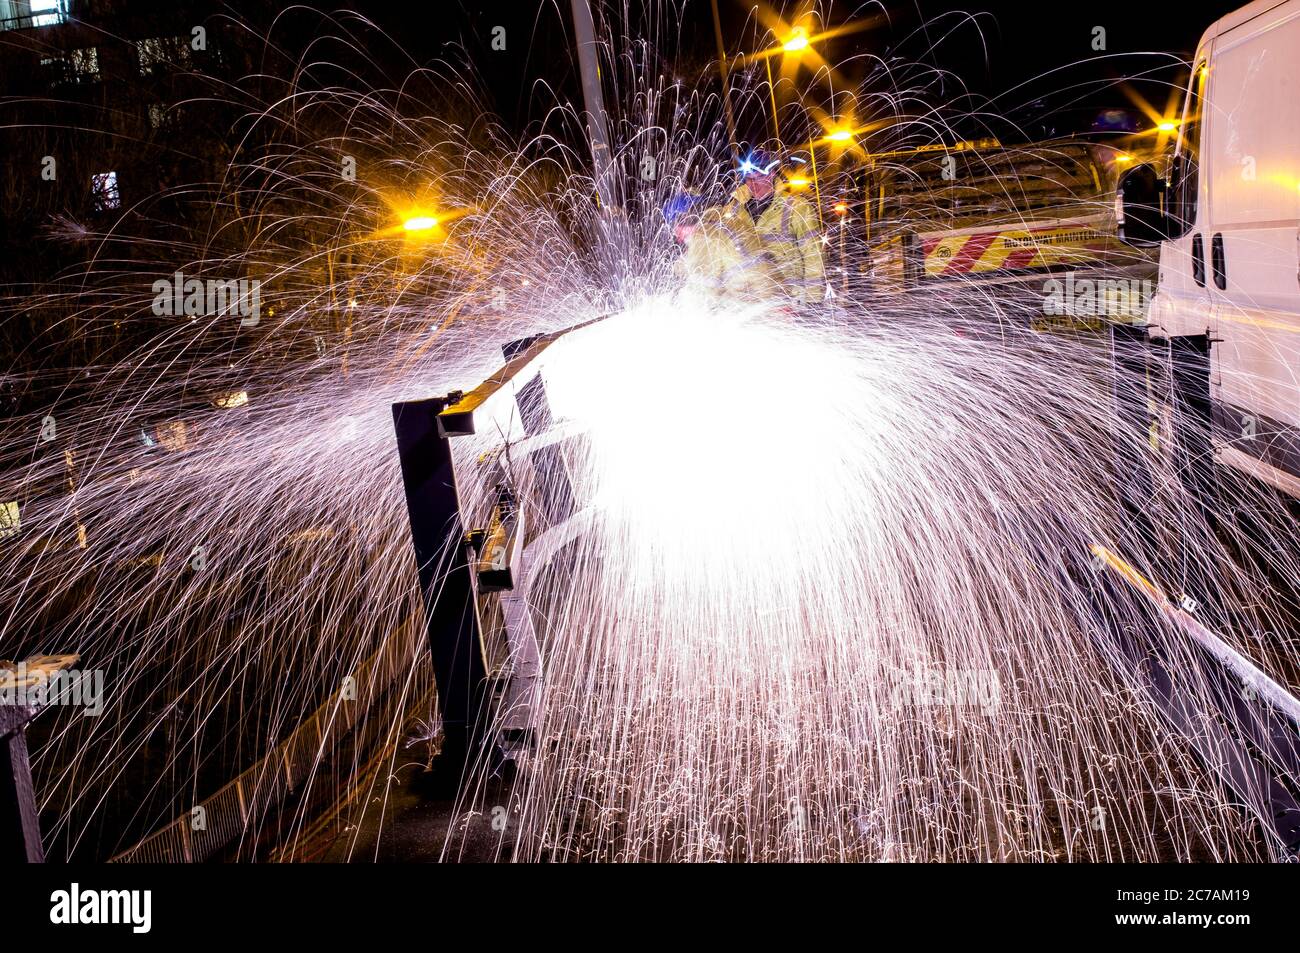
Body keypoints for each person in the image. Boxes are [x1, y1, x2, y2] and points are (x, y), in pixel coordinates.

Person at [728, 150, 827, 306]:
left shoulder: (797, 207)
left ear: (772, 174)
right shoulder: (732, 210)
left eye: (758, 178)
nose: (753, 185)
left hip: (788, 297)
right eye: (748, 179)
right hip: (747, 300)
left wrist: (813, 300)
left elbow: (813, 254)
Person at [666, 193, 778, 305]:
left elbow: (701, 291)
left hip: (754, 306)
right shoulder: (730, 222)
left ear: (684, 220)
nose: (676, 234)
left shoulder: (703, 235)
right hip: (775, 298)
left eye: (673, 226)